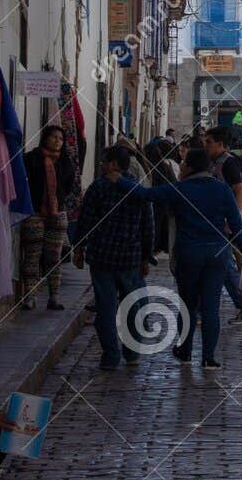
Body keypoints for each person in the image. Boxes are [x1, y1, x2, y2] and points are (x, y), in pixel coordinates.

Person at [115, 147, 242, 370]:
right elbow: (235, 222)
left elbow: (146, 195)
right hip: (217, 253)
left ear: (191, 167)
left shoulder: (180, 188)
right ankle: (208, 358)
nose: (181, 166)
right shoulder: (222, 189)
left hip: (189, 253)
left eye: (184, 163)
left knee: (188, 304)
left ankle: (185, 352)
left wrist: (120, 180)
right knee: (211, 306)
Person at [75, 145, 156, 370]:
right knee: (133, 306)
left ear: (113, 164)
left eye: (104, 161)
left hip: (102, 258)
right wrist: (146, 256)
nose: (101, 165)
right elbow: (148, 226)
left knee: (106, 308)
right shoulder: (138, 188)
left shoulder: (98, 188)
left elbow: (86, 221)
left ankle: (110, 356)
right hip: (130, 258)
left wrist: (79, 248)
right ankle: (132, 353)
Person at [202, 125, 242, 324]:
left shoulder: (228, 164)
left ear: (220, 144)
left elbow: (240, 191)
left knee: (225, 267)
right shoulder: (214, 162)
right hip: (215, 223)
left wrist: (231, 219)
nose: (206, 145)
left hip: (223, 225)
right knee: (220, 267)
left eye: (209, 142)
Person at [22, 124, 75, 310]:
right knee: (32, 255)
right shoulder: (31, 159)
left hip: (57, 213)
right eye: (54, 137)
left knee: (54, 256)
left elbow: (68, 186)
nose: (57, 141)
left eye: (60, 139)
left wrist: (56, 200)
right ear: (45, 138)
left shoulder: (65, 162)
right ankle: (30, 295)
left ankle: (54, 296)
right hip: (35, 212)